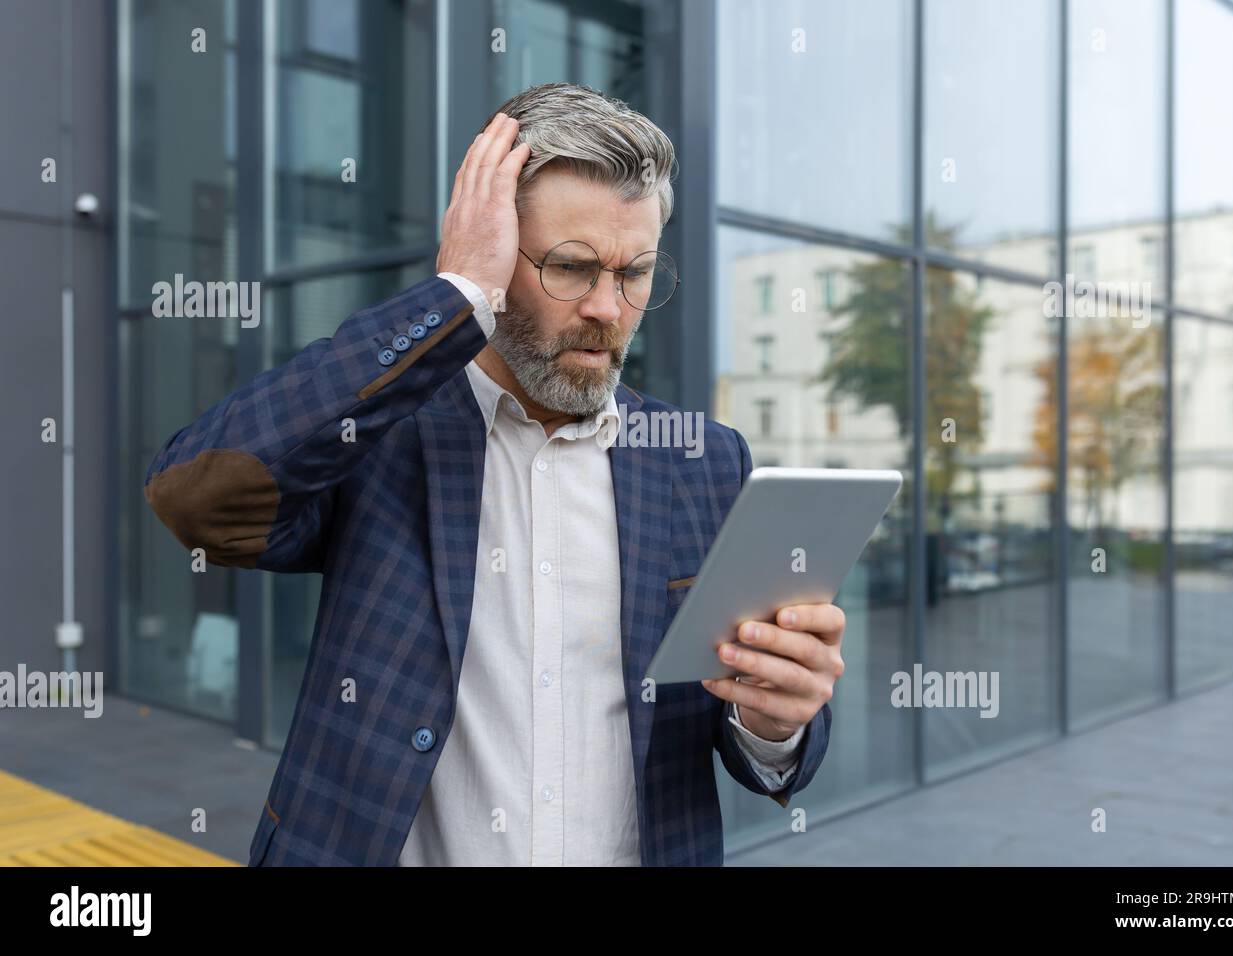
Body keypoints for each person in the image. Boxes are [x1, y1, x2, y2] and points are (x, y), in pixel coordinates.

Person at [144, 82, 842, 866]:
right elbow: (193, 498)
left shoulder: (705, 461)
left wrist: (776, 722)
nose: (609, 309)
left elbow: (751, 736)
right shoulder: (382, 432)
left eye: (635, 273)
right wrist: (452, 299)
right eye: (573, 268)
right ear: (496, 253)